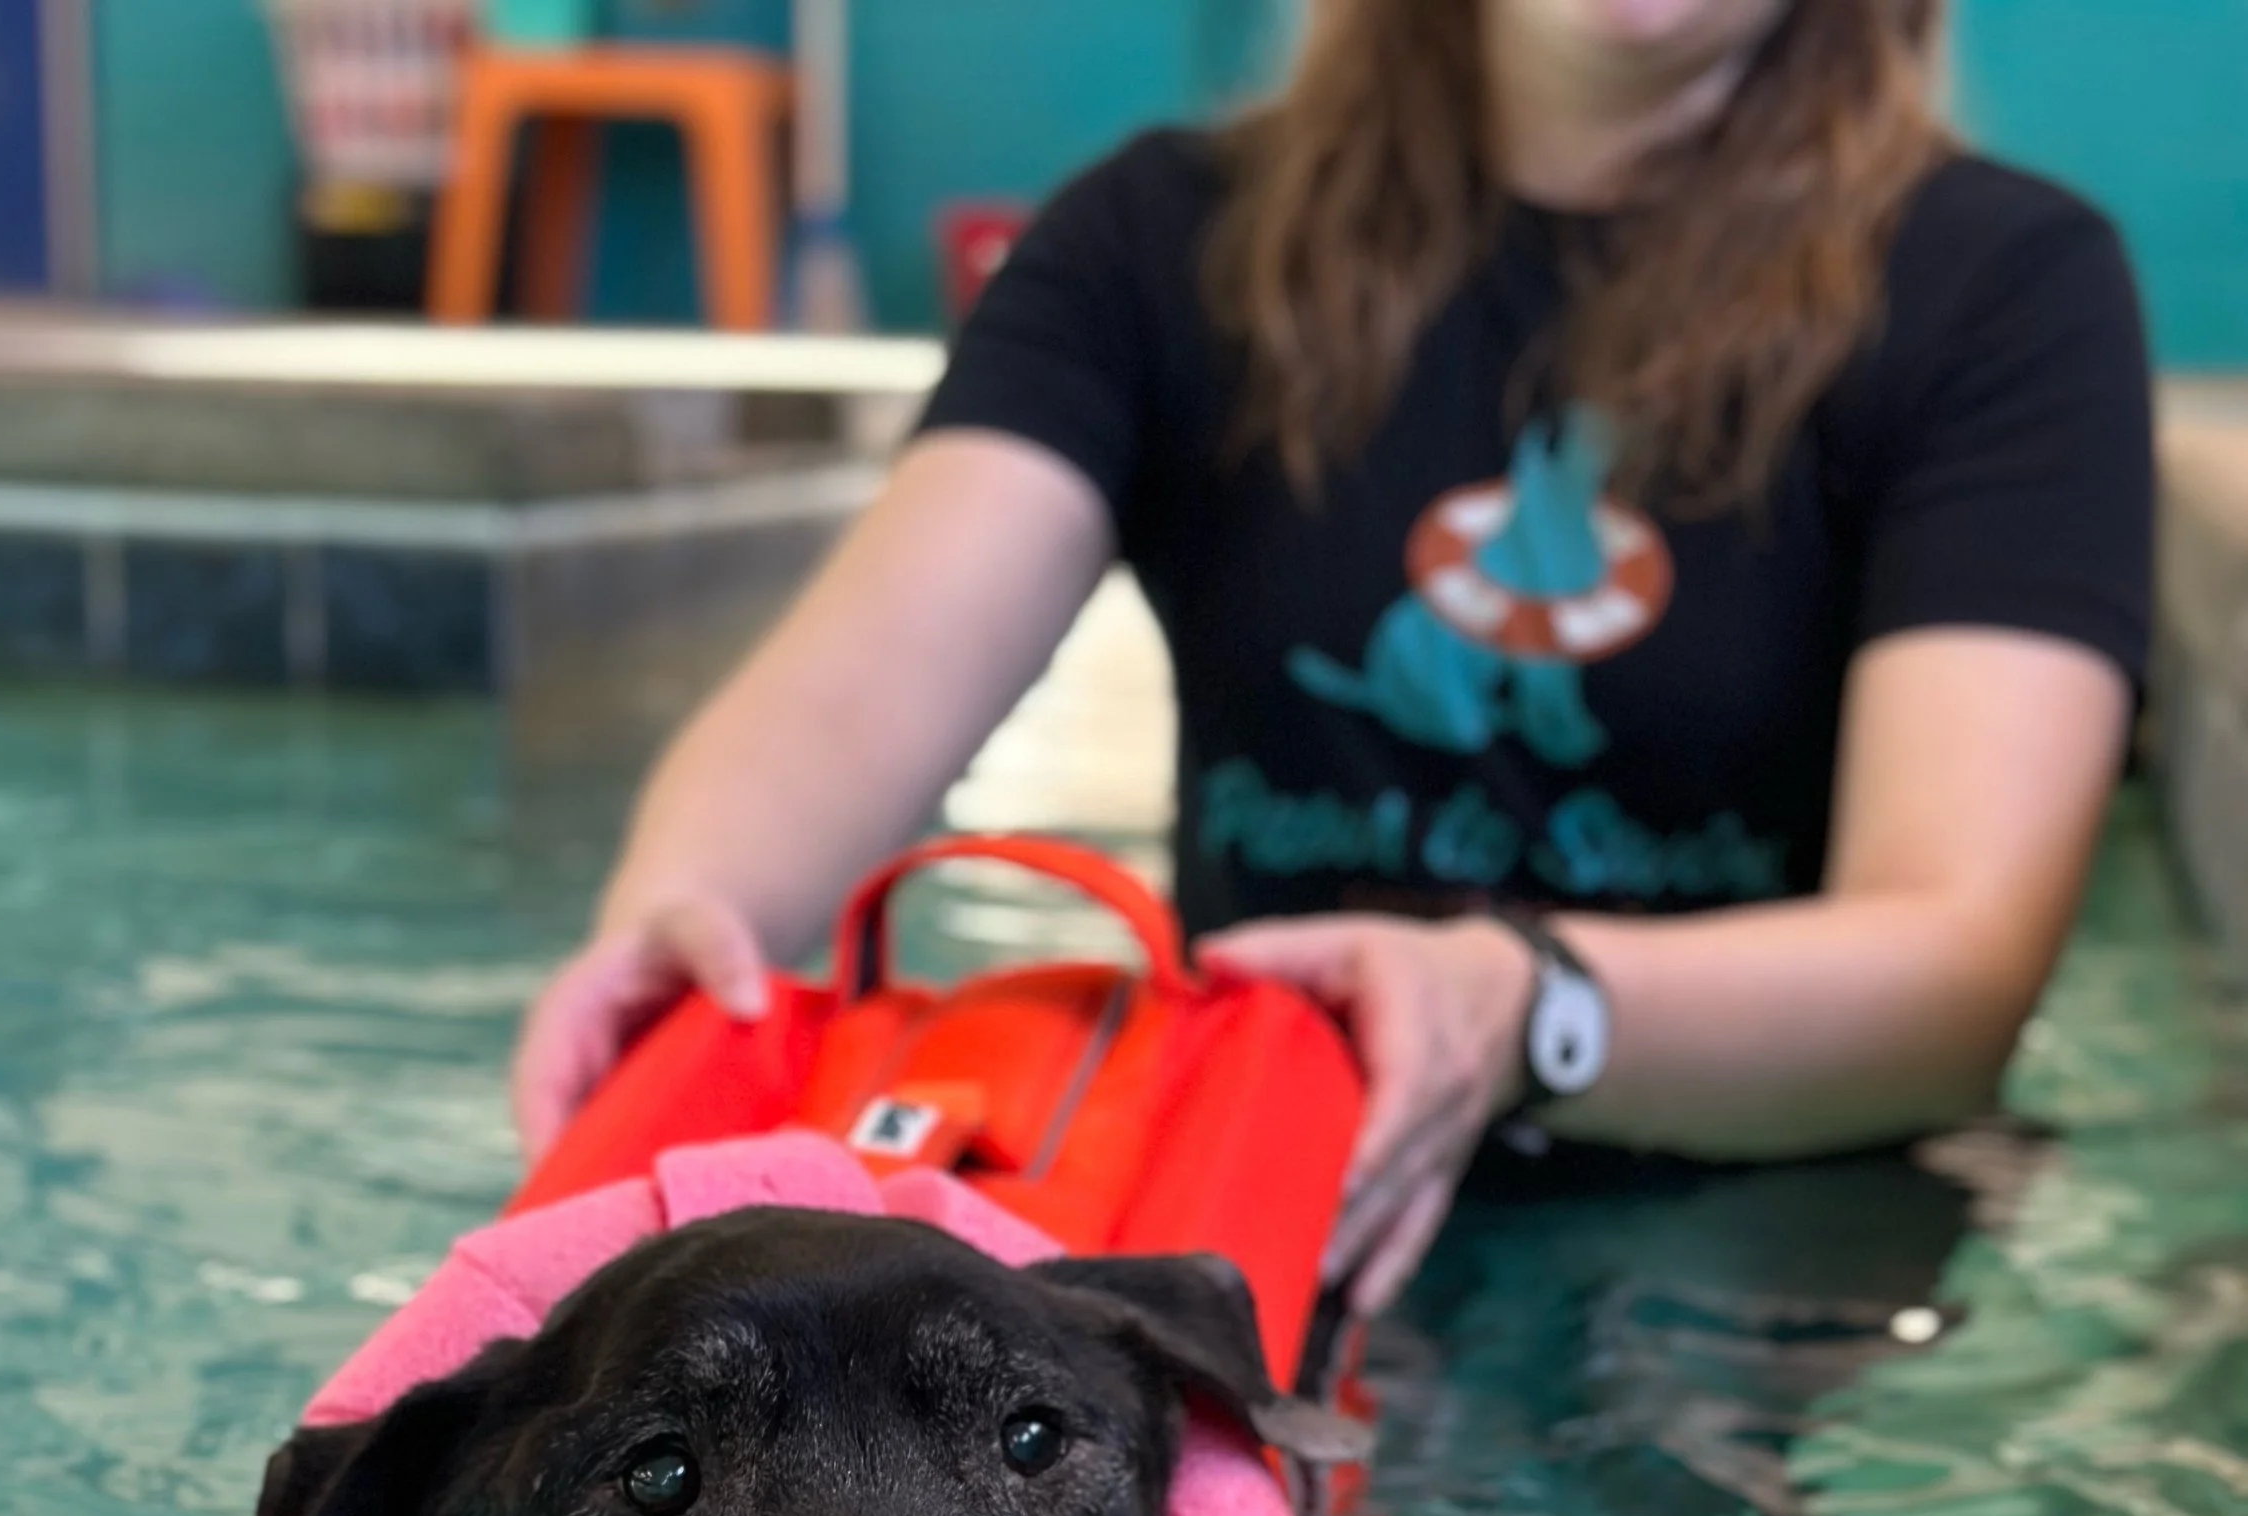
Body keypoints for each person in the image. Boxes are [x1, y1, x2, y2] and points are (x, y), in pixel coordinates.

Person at [511, 0, 2153, 1318]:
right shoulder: (1163, 243)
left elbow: (1955, 970)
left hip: (1744, 1268)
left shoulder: (1997, 289)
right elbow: (854, 690)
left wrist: (1522, 1005)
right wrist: (689, 921)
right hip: (1246, 1209)